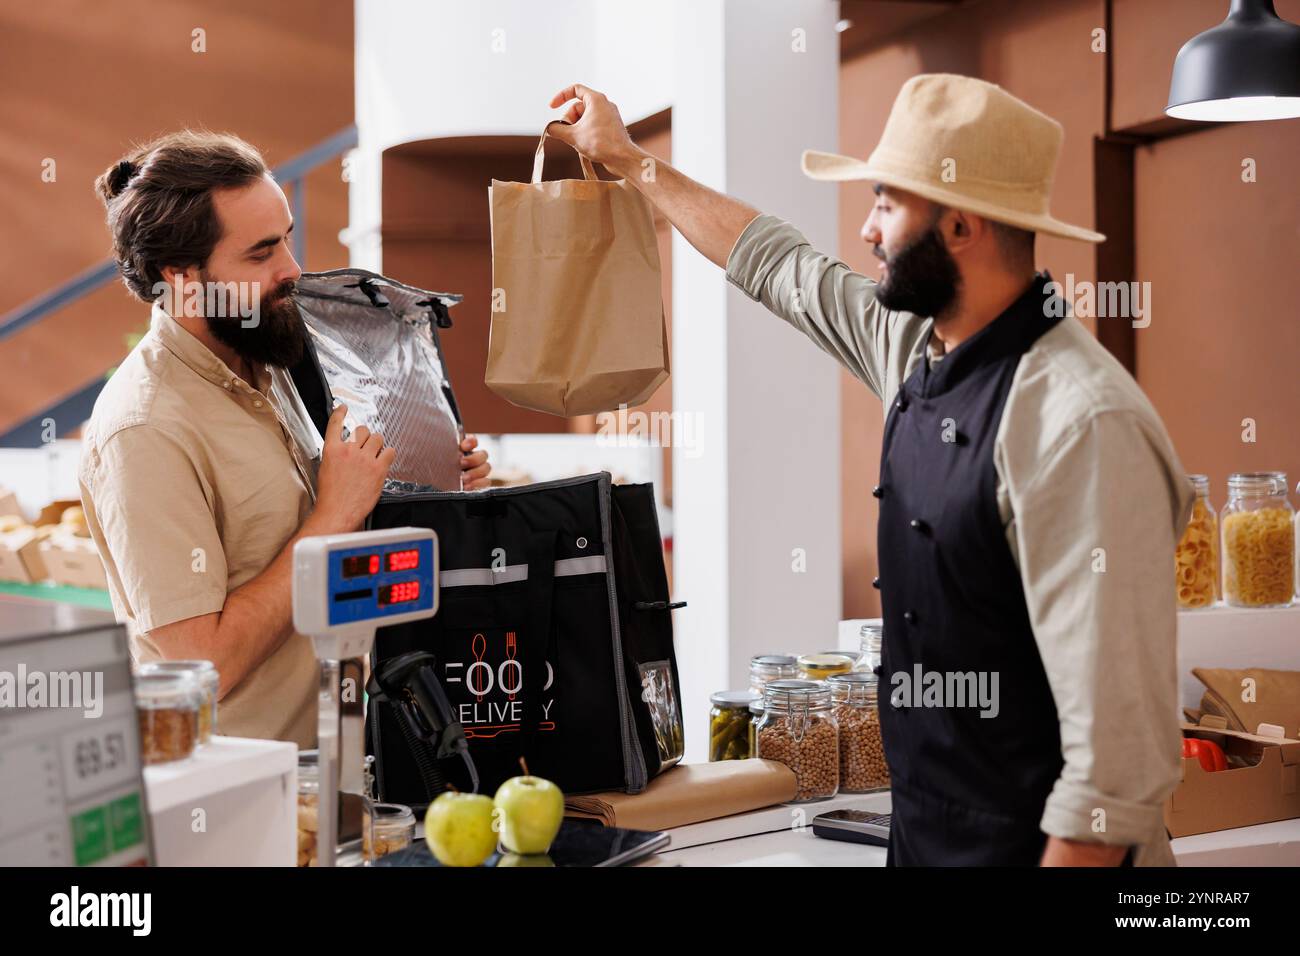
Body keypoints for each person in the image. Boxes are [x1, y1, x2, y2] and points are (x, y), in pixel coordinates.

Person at [545, 74, 1193, 866]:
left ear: (958, 225)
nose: (867, 230)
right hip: (925, 837)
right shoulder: (916, 346)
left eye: (886, 203)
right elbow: (777, 264)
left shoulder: (1081, 421)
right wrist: (630, 161)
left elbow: (1115, 764)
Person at [79, 131, 491, 747]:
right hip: (243, 808)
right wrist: (333, 515)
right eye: (261, 252)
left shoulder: (276, 363)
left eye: (288, 237)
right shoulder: (145, 429)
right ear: (183, 278)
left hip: (349, 768)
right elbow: (199, 670)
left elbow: (334, 563)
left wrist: (429, 484)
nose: (292, 270)